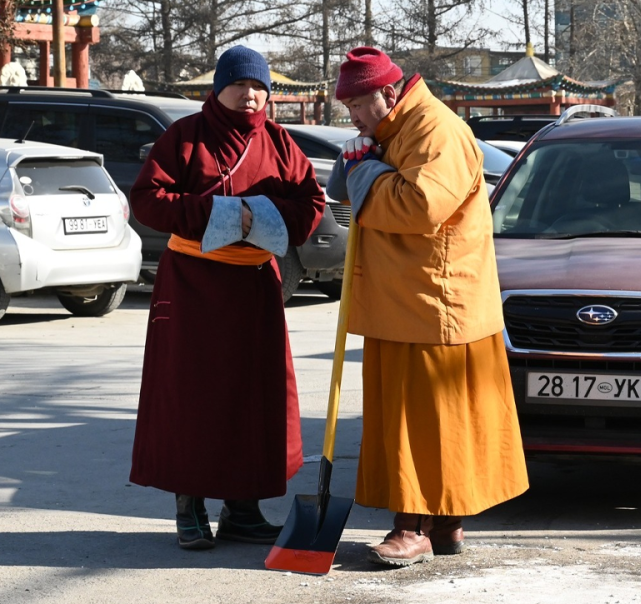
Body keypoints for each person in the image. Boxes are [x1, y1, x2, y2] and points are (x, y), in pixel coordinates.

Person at [326, 46, 530, 567]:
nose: (351, 119)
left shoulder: (435, 129)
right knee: (438, 421)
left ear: (389, 94)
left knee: (414, 421)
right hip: (414, 303)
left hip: (431, 305)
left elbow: (420, 206)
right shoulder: (398, 130)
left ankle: (411, 526)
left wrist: (365, 174)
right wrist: (360, 165)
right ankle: (445, 524)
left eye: (356, 107)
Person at [129, 45, 326, 550]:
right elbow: (148, 200)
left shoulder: (280, 142)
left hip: (254, 284)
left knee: (253, 395)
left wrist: (262, 216)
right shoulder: (184, 137)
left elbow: (311, 200)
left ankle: (244, 508)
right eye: (241, 85)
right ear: (219, 88)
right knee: (192, 396)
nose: (251, 94)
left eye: (259, 86)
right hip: (193, 285)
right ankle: (188, 506)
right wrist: (214, 213)